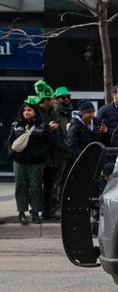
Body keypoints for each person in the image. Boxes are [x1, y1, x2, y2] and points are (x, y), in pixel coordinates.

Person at [5, 99, 59, 225]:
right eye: (24, 110)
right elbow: (9, 142)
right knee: (21, 186)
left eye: (29, 110)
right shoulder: (15, 125)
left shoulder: (42, 126)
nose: (26, 112)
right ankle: (22, 213)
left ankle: (35, 213)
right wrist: (12, 153)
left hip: (37, 163)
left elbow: (51, 143)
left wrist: (41, 155)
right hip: (19, 162)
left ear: (35, 112)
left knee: (36, 187)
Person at [34, 80, 66, 220]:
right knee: (39, 185)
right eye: (52, 98)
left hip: (55, 155)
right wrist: (47, 128)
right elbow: (34, 134)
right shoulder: (36, 114)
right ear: (45, 100)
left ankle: (48, 211)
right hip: (43, 156)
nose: (54, 100)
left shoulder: (53, 112)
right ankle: (38, 211)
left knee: (50, 185)